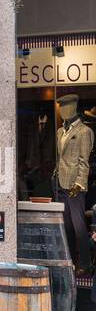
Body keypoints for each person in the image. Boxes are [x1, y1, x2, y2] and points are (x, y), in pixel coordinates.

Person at [54, 94, 94, 269]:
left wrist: (80, 184)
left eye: (65, 106)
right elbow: (60, 158)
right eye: (60, 106)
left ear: (73, 107)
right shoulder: (60, 131)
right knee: (66, 226)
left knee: (79, 227)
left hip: (75, 186)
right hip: (60, 183)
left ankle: (85, 263)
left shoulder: (85, 132)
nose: (62, 110)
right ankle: (69, 261)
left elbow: (84, 161)